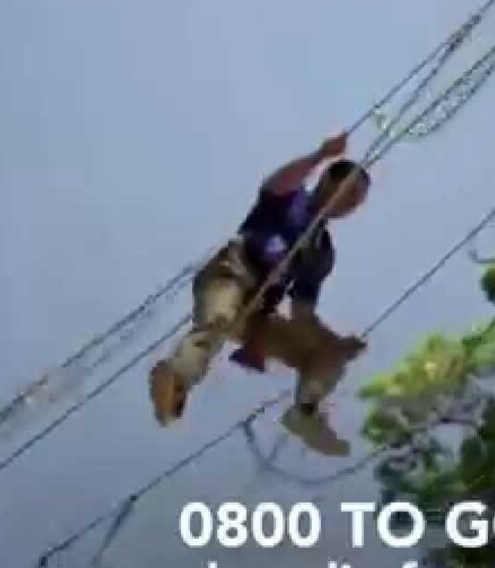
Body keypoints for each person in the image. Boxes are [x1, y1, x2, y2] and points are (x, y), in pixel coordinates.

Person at [148, 131, 370, 456]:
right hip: (233, 273)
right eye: (349, 192)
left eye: (357, 202)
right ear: (328, 181)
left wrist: (333, 343)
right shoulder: (291, 199)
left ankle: (305, 412)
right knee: (218, 318)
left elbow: (302, 315)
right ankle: (176, 376)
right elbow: (277, 182)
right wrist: (320, 155)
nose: (350, 205)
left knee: (324, 354)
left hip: (257, 313)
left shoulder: (322, 252)